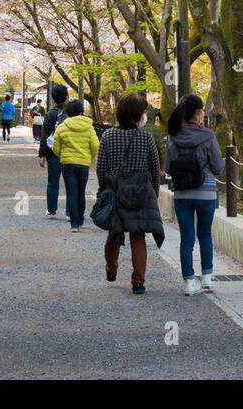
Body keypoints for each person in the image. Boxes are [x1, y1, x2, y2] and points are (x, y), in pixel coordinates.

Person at [97, 92, 162, 294]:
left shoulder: (108, 136)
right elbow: (154, 168)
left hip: (116, 190)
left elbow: (100, 167)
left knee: (114, 233)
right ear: (136, 115)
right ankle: (138, 281)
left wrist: (104, 189)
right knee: (138, 235)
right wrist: (154, 193)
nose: (145, 116)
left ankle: (111, 267)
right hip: (141, 192)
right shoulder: (146, 138)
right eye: (144, 112)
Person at [166, 93, 224, 296]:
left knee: (186, 238)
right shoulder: (209, 136)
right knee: (205, 234)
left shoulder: (173, 136)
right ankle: (207, 278)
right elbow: (218, 168)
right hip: (206, 192)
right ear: (199, 113)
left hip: (182, 193)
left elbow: (168, 168)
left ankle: (190, 282)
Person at [52, 98, 96, 232]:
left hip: (68, 164)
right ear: (81, 112)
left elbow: (55, 147)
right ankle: (81, 219)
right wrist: (89, 156)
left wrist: (62, 156)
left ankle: (74, 224)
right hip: (83, 164)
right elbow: (95, 145)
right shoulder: (89, 127)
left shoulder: (62, 127)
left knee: (71, 193)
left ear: (67, 113)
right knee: (81, 192)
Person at [38, 85, 69, 218]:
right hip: (70, 152)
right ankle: (70, 212)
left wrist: (42, 154)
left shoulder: (51, 113)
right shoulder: (73, 112)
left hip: (53, 153)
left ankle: (51, 210)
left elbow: (44, 135)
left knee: (53, 181)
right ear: (67, 96)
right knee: (71, 183)